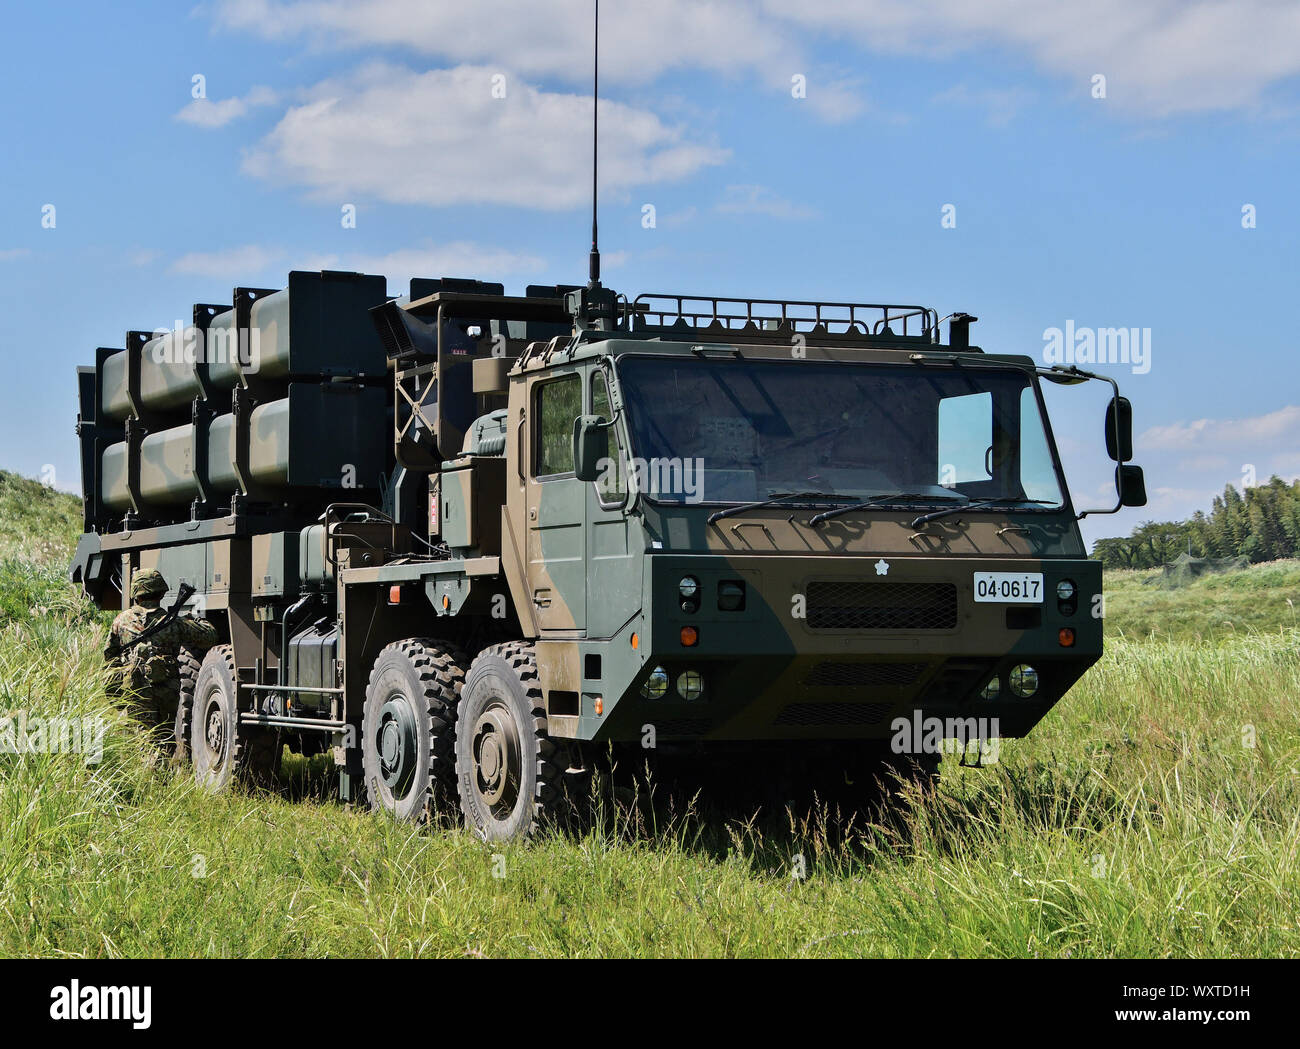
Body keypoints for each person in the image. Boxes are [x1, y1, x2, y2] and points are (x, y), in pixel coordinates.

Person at [104, 569, 218, 752]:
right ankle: (160, 775)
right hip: (166, 691)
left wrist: (116, 695)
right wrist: (193, 619)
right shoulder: (173, 622)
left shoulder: (120, 621)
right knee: (164, 738)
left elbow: (110, 659)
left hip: (134, 690)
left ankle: (148, 775)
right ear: (162, 593)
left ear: (136, 594)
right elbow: (210, 636)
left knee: (140, 737)